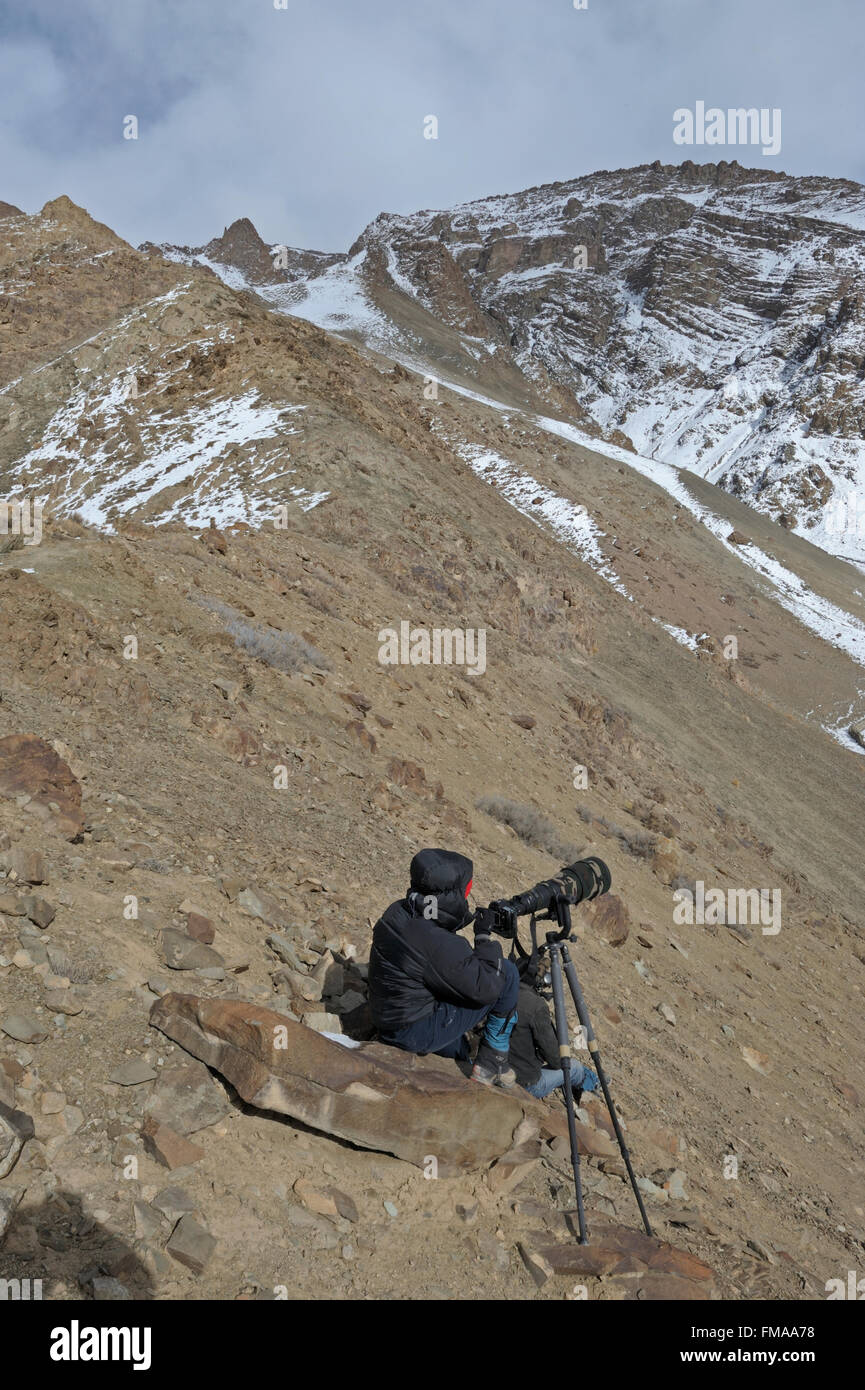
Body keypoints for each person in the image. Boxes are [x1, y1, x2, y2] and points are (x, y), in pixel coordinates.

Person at [367, 848, 519, 1086]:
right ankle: (493, 1060)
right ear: (456, 893)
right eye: (466, 889)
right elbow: (486, 986)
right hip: (410, 1032)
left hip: (386, 1015)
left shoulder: (399, 910)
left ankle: (456, 1051)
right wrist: (482, 937)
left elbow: (430, 948)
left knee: (459, 1046)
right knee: (507, 974)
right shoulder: (436, 941)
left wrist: (461, 919)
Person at [509, 977, 600, 1103]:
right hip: (525, 1084)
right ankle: (593, 1088)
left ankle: (590, 1079)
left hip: (494, 1067)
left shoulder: (504, 990)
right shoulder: (535, 1006)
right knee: (575, 1067)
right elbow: (556, 1060)